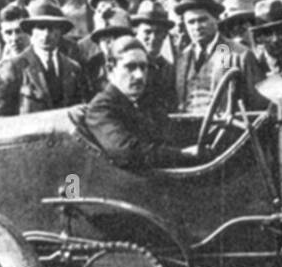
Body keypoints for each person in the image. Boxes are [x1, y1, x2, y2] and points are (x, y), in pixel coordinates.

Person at [84, 36, 199, 170]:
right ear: (110, 69)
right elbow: (127, 153)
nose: (139, 75)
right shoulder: (101, 108)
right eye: (130, 67)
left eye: (143, 67)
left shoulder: (146, 102)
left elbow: (170, 133)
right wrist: (182, 154)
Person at [0, 0, 89, 118]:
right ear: (31, 31)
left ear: (60, 31)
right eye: (41, 28)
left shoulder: (73, 68)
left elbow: (82, 111)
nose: (46, 34)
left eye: (52, 28)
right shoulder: (14, 67)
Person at [173, 0, 265, 114]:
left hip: (227, 132)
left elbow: (259, 106)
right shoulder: (183, 58)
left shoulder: (235, 53)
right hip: (190, 131)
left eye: (202, 20)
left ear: (216, 19)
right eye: (191, 22)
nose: (197, 27)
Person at [84, 8, 139, 93]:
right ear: (98, 42)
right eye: (105, 39)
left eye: (116, 37)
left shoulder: (139, 63)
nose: (110, 44)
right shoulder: (92, 66)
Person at [78, 0, 131, 67]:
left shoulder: (132, 42)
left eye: (113, 6)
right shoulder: (83, 46)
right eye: (101, 8)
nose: (105, 10)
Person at [249, 0, 282, 75]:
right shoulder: (254, 68)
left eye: (280, 31)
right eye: (268, 34)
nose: (275, 39)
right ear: (258, 38)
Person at [0, 2, 31, 66]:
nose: (14, 38)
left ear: (30, 31)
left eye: (19, 31)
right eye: (8, 33)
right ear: (2, 35)